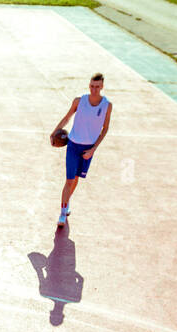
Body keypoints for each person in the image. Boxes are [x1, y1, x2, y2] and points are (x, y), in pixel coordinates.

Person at [51, 73, 113, 227]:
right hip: (73, 144)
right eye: (92, 86)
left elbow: (105, 129)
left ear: (102, 87)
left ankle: (67, 203)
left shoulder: (107, 105)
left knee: (76, 179)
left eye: (97, 86)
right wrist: (55, 131)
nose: (94, 89)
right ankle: (63, 213)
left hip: (88, 148)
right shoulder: (79, 101)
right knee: (69, 180)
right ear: (89, 85)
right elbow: (67, 118)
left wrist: (93, 149)